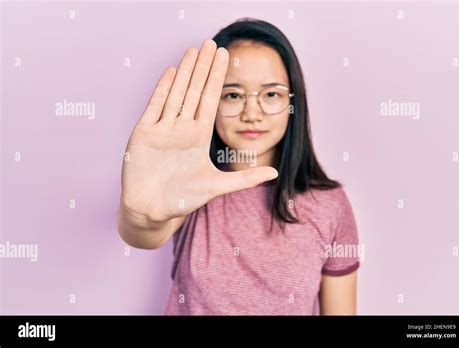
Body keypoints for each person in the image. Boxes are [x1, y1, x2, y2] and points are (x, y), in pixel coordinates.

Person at [117, 18, 360, 315]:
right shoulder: (190, 187)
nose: (252, 113)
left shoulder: (331, 206)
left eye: (271, 94)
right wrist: (139, 216)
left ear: (293, 101)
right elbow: (144, 234)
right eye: (232, 95)